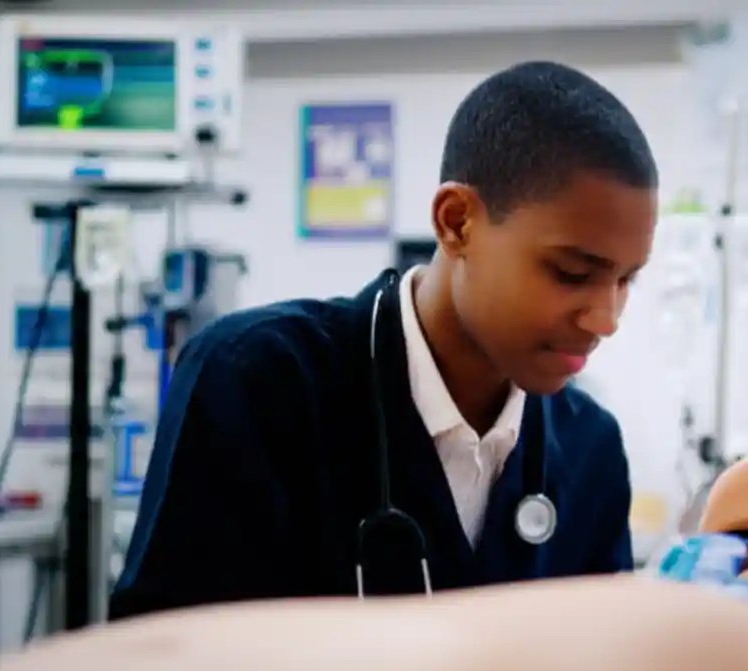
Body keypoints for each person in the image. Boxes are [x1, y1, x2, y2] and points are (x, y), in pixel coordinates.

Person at [109, 60, 658, 619]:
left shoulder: (590, 448)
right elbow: (166, 666)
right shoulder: (256, 382)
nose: (606, 318)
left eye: (626, 279)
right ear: (457, 222)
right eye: (570, 272)